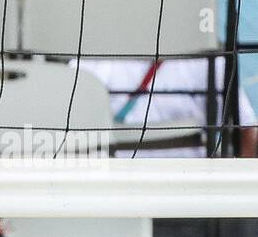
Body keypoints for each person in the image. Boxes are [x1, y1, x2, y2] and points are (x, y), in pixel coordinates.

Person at [76, 55, 258, 159]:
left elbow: (246, 130)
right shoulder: (91, 59)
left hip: (191, 193)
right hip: (116, 188)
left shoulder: (211, 61)